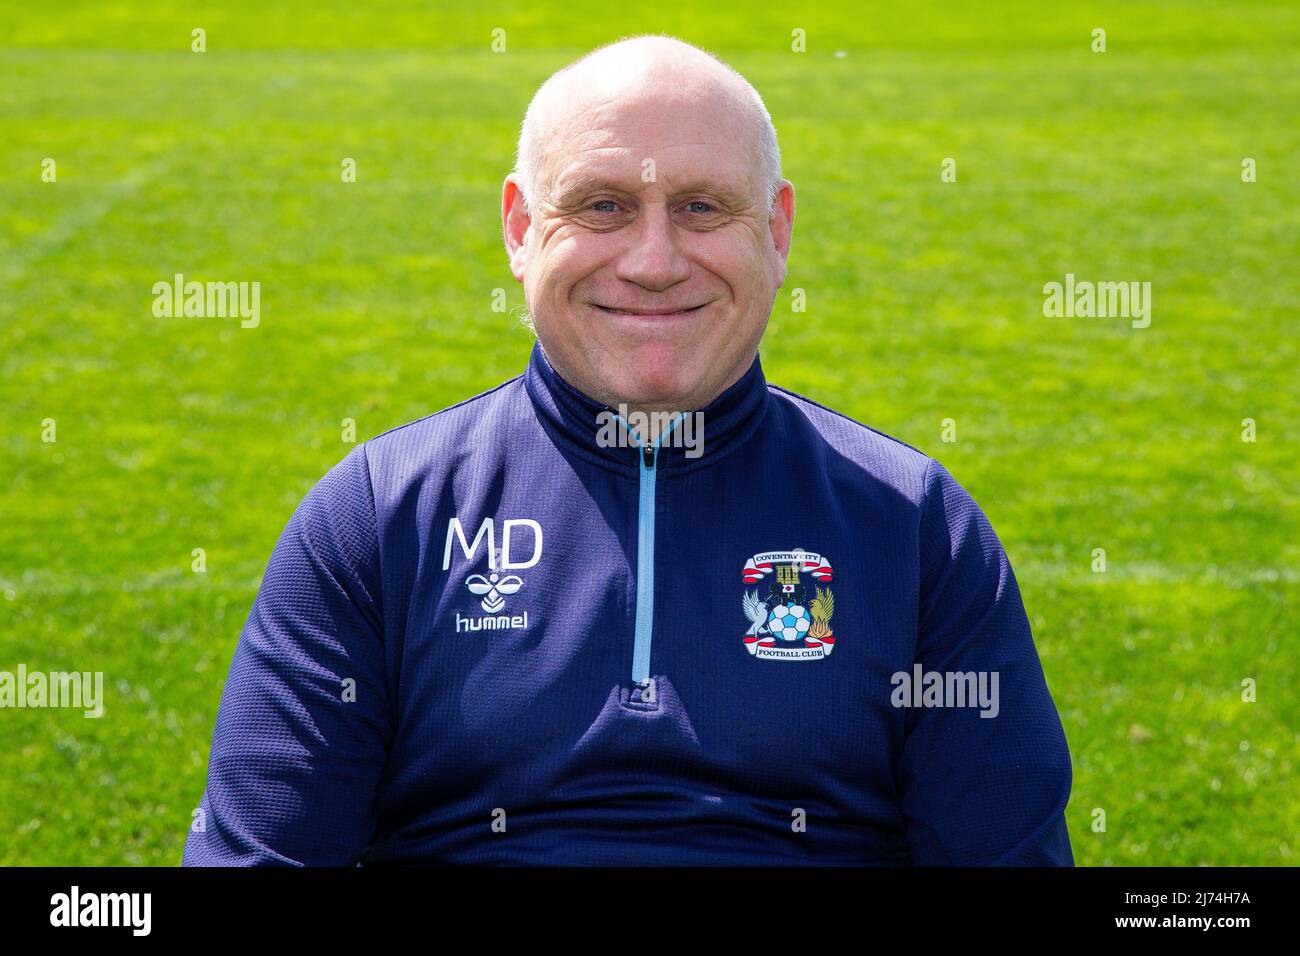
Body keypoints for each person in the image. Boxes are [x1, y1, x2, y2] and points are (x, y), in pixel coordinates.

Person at [182, 34, 1073, 866]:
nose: (654, 261)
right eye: (603, 206)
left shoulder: (918, 529)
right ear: (521, 230)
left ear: (778, 230)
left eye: (702, 207)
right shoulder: (375, 519)